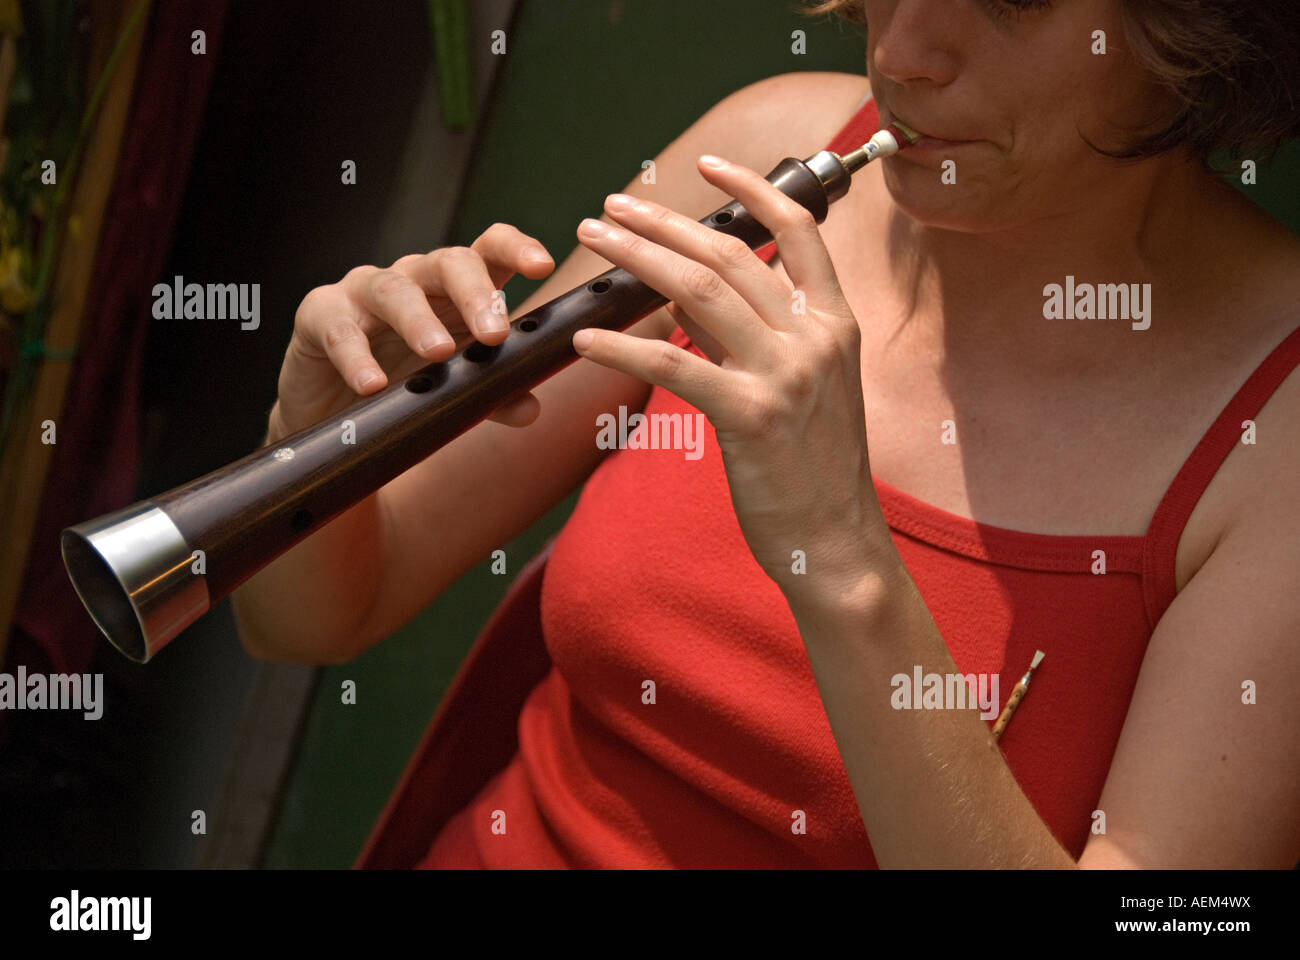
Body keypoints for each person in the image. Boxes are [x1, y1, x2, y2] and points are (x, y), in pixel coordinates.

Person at [231, 0, 1300, 868]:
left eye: (1009, 3)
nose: (903, 51)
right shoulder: (769, 149)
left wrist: (838, 550)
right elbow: (314, 617)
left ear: (1193, 32)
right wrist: (314, 443)